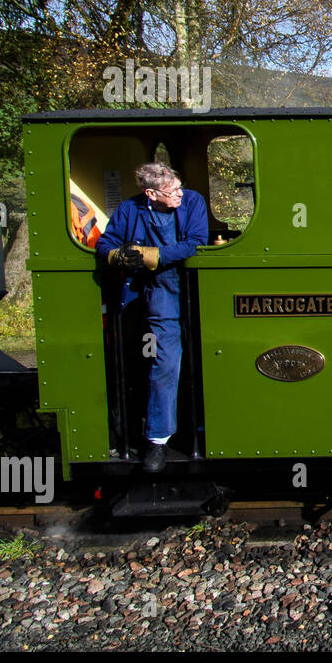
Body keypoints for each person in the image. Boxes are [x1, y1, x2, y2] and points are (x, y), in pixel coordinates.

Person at [95, 163, 208, 474]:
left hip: (192, 291)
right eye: (172, 192)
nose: (179, 195)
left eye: (179, 188)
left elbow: (197, 241)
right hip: (157, 295)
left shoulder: (193, 201)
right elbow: (105, 243)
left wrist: (153, 255)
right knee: (164, 365)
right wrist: (118, 255)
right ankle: (157, 441)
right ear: (151, 193)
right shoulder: (130, 209)